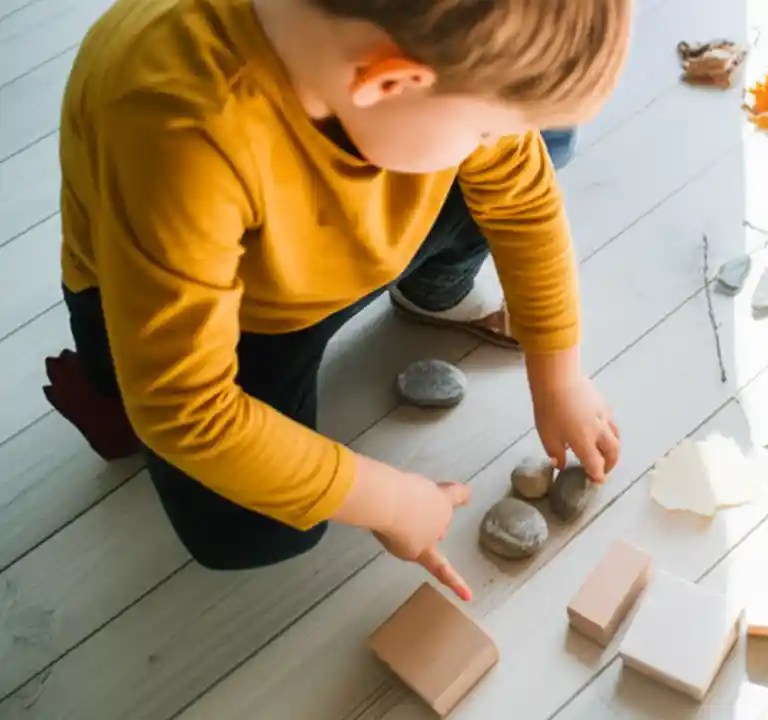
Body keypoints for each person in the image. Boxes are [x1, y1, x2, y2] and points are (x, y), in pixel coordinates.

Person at [43, 0, 631, 601]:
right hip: (218, 315)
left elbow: (523, 200)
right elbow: (186, 407)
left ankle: (430, 293)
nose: (495, 142)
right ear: (388, 81)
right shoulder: (179, 125)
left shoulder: (416, 57)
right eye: (483, 130)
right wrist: (392, 502)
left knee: (539, 146)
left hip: (332, 246)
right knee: (254, 532)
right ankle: (111, 390)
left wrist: (558, 373)